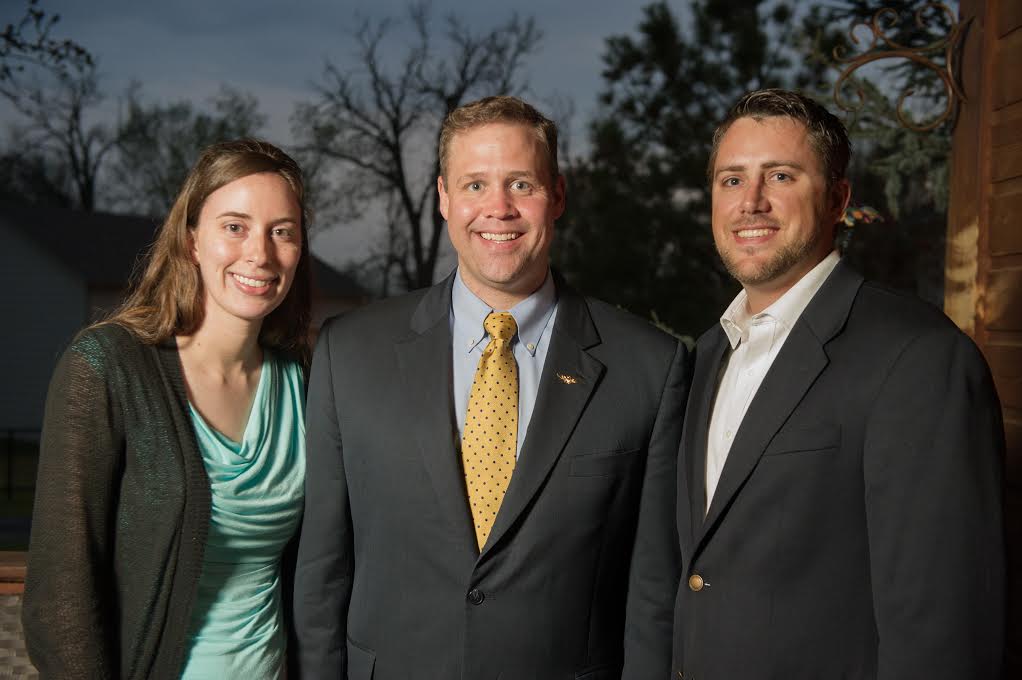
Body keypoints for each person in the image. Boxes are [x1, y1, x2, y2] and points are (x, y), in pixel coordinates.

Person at [293, 95, 688, 679]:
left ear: (558, 196)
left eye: (520, 185)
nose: (497, 208)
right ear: (443, 199)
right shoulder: (348, 353)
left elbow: (652, 592)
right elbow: (322, 573)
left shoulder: (649, 366)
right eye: (475, 185)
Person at [672, 88, 1005, 679]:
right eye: (731, 180)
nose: (751, 202)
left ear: (838, 199)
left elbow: (940, 632)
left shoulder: (919, 358)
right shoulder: (704, 357)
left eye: (780, 176)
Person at [22, 139, 312, 679]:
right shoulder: (106, 367)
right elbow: (60, 592)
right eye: (234, 226)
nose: (261, 253)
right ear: (191, 240)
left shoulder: (308, 378)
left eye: (282, 231)